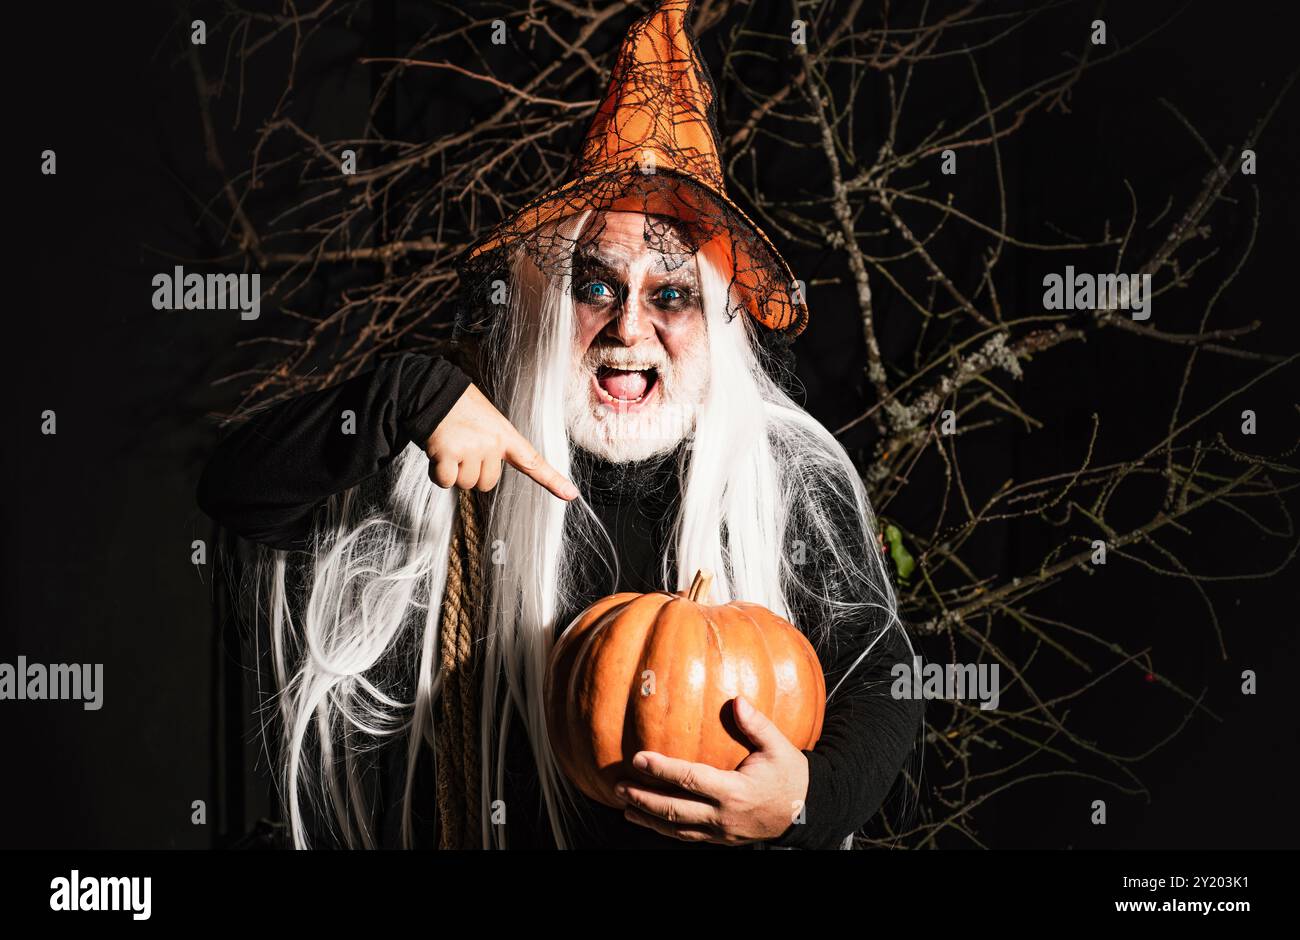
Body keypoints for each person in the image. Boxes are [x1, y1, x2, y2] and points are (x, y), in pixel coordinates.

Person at [198, 0, 922, 850]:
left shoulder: (787, 472)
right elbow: (234, 492)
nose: (629, 328)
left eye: (673, 294)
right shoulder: (458, 439)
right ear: (551, 303)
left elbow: (883, 678)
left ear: (718, 318)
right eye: (597, 285)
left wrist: (803, 802)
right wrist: (396, 397)